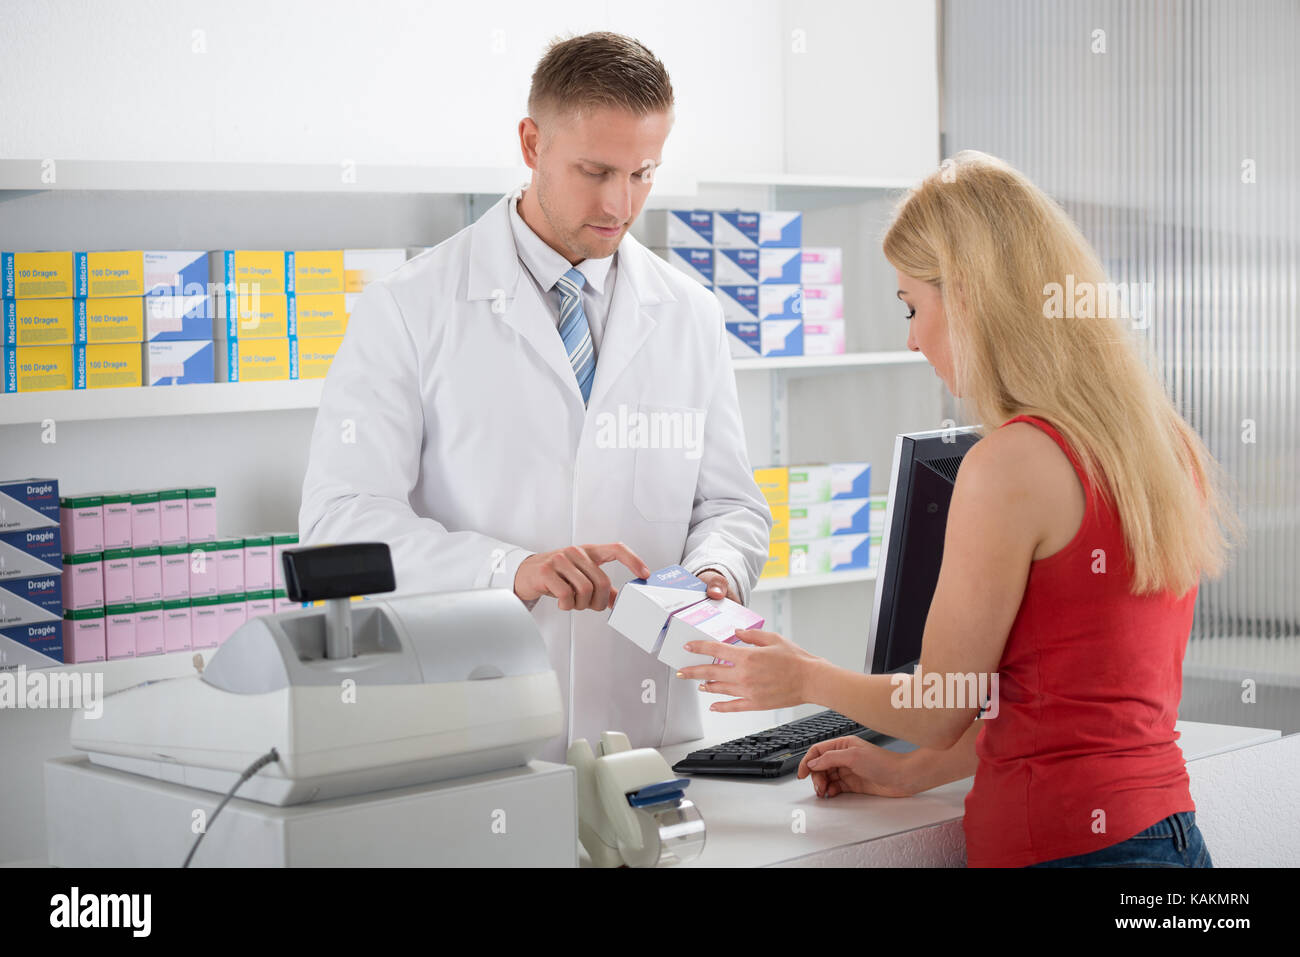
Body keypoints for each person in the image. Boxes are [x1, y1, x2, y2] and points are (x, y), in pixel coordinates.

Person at [674, 150, 1239, 868]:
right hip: (1166, 837)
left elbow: (940, 705)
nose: (912, 338)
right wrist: (910, 771)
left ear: (970, 297)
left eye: (913, 305)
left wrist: (805, 676)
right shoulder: (1158, 443)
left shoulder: (1008, 464)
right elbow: (1072, 697)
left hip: (1063, 851)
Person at [299, 32, 770, 762]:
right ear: (531, 143)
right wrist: (508, 570)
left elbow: (731, 506)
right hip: (475, 732)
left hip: (646, 739)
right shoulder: (410, 306)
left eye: (644, 173)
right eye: (595, 170)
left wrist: (713, 574)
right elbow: (341, 520)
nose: (621, 203)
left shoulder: (690, 314)